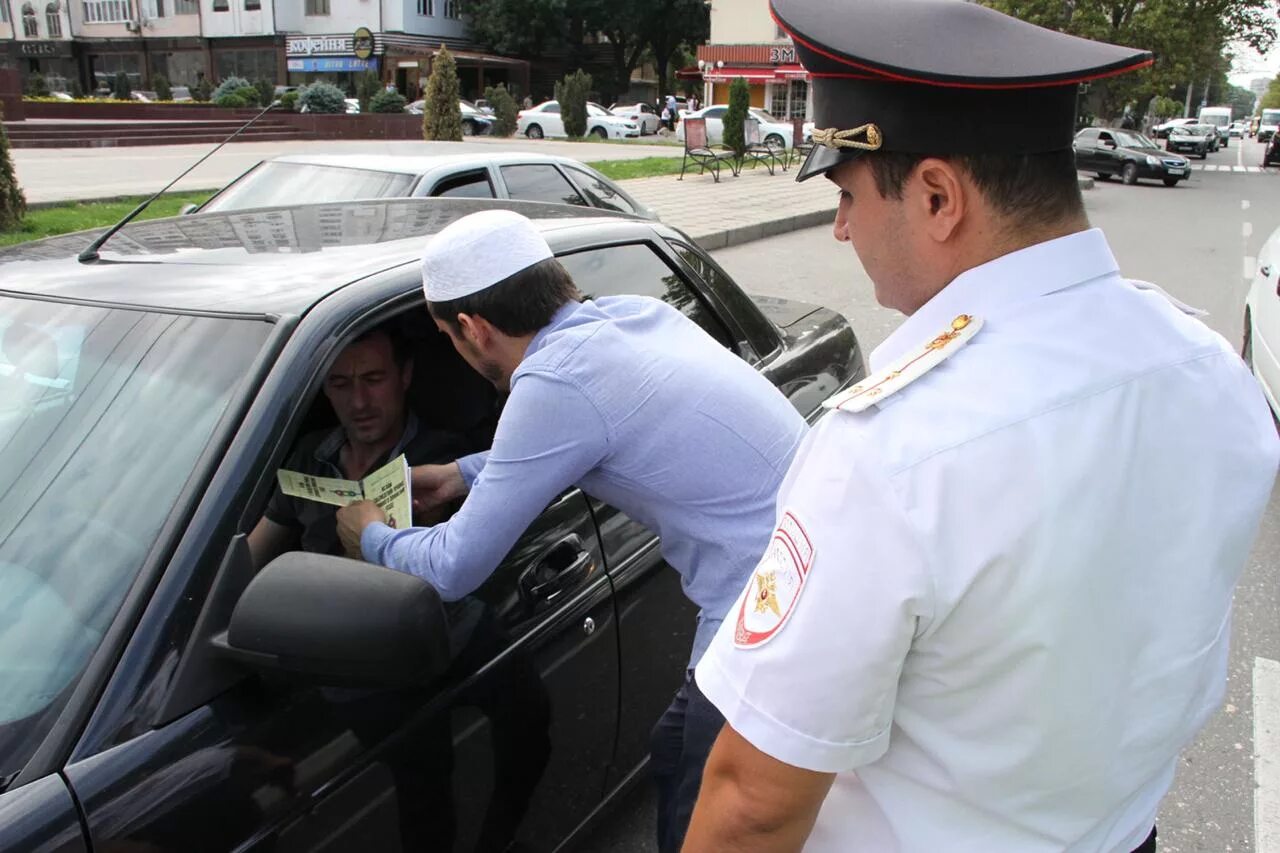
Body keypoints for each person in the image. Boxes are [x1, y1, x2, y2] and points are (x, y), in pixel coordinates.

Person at [683, 0, 1280, 851]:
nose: (842, 227)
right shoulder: (1213, 369)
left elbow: (753, 802)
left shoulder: (892, 450)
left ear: (936, 197)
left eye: (846, 193)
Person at [335, 209, 807, 853]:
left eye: (448, 337)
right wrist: (461, 475)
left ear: (471, 328)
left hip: (769, 621)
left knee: (705, 818)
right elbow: (593, 425)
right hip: (805, 574)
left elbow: (452, 567)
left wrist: (369, 535)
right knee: (674, 752)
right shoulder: (631, 317)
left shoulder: (554, 378)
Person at [248, 324, 468, 568]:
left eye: (373, 380)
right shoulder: (310, 453)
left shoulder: (440, 462)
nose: (359, 402)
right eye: (341, 384)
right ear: (325, 387)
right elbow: (252, 555)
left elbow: (413, 578)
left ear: (404, 375)